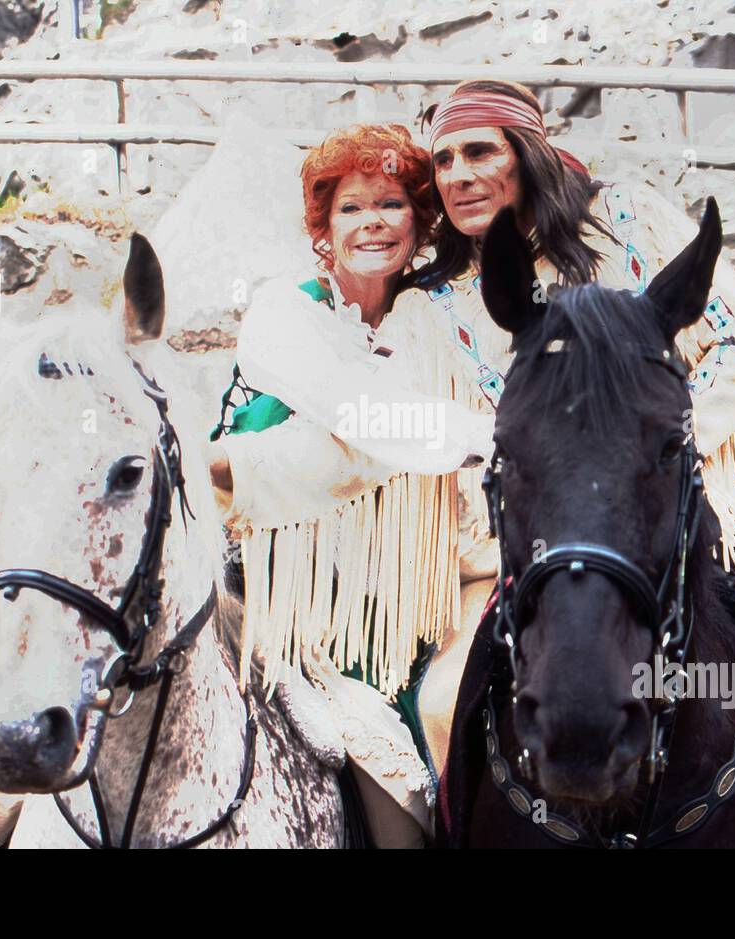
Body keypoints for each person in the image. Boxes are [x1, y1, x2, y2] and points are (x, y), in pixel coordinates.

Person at [406, 78, 735, 848]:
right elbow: (441, 435)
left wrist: (657, 455)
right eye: (443, 161)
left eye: (479, 151)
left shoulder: (629, 218)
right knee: (442, 700)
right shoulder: (437, 304)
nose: (457, 175)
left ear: (530, 153)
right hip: (531, 539)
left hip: (685, 500)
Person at [207, 123, 495, 846]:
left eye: (392, 204)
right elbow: (359, 416)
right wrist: (496, 434)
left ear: (420, 221)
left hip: (398, 594)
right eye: (351, 207)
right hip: (272, 585)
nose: (373, 222)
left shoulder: (433, 319)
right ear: (323, 227)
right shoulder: (285, 310)